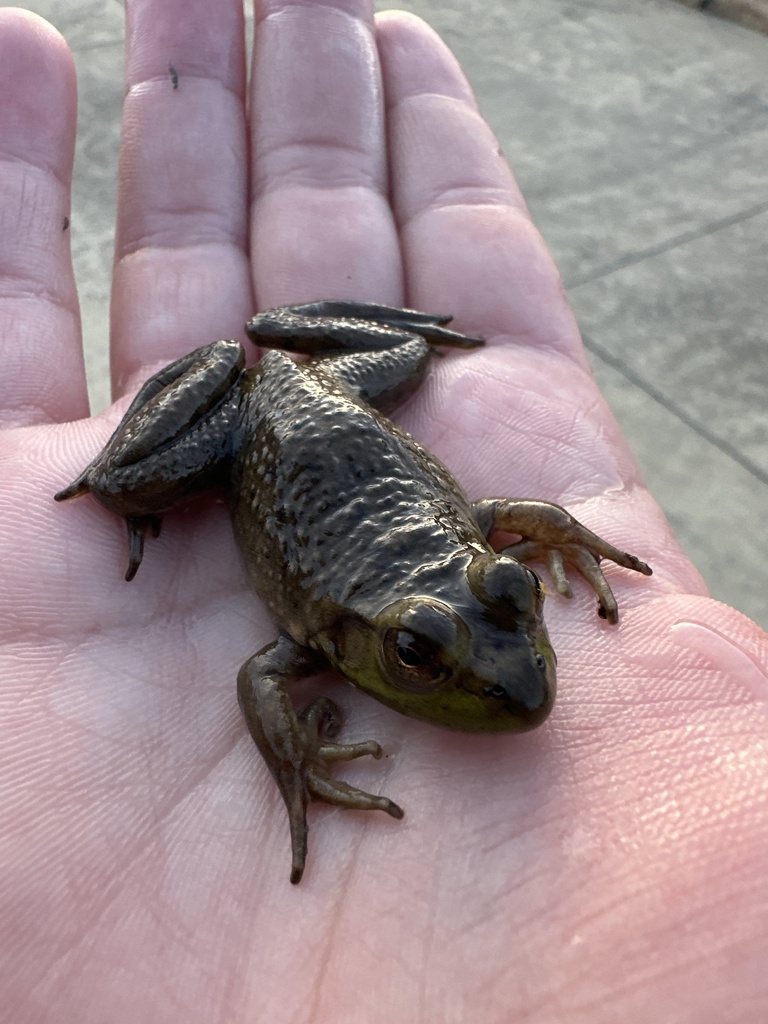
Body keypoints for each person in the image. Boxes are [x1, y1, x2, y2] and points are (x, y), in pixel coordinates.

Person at [1, 2, 765, 1020]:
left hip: (333, 407)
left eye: (508, 594)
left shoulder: (469, 561)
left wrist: (565, 531)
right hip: (251, 432)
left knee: (398, 356)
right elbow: (261, 675)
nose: (518, 676)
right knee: (133, 480)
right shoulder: (319, 637)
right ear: (368, 643)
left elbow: (505, 520)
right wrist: (299, 764)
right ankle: (157, 439)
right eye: (417, 653)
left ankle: (310, 338)